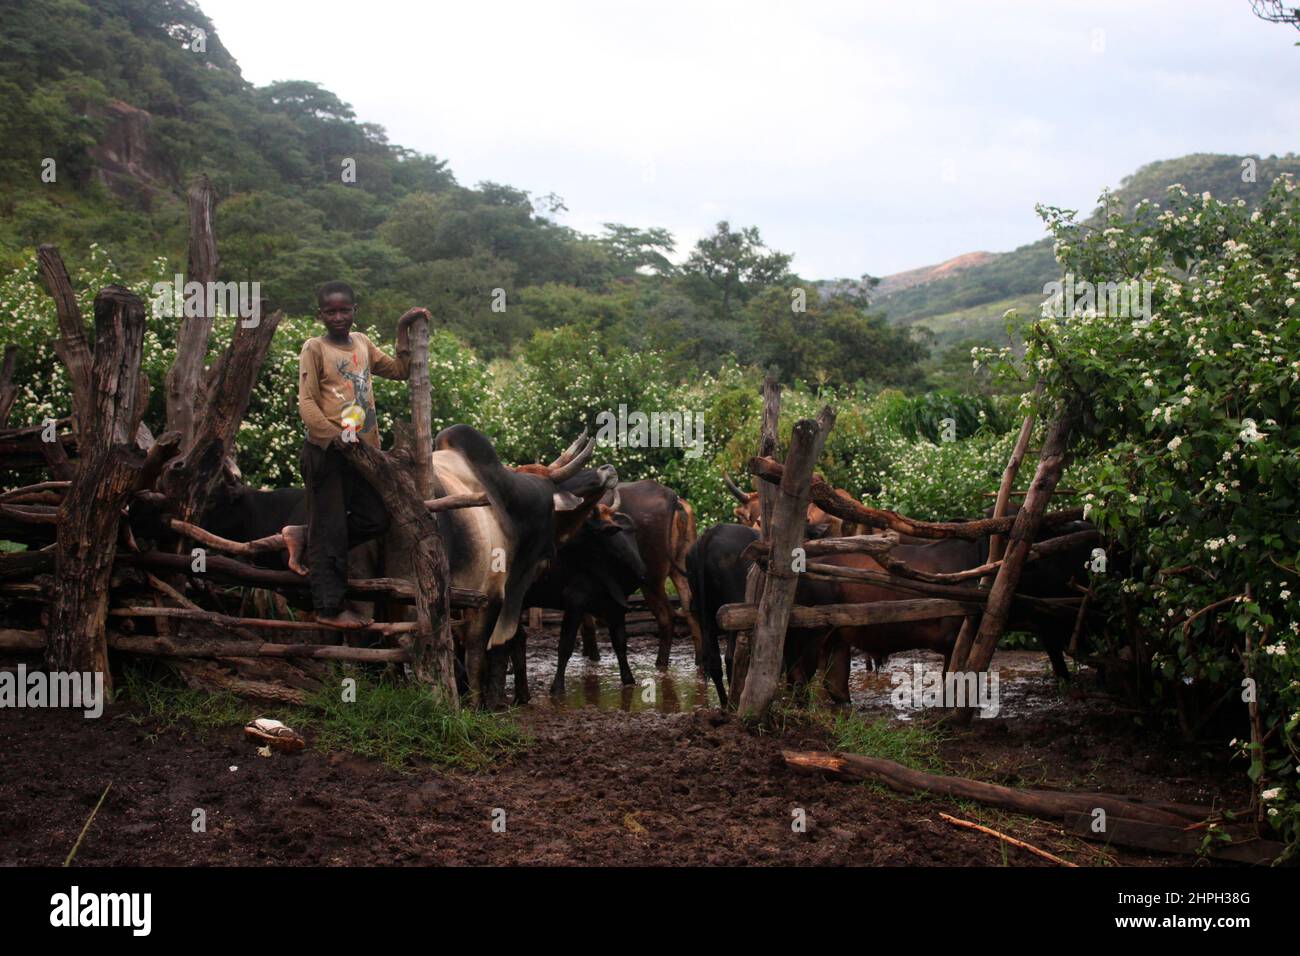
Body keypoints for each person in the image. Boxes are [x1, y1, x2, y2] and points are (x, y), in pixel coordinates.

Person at [285, 279, 429, 628]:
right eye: (330, 311)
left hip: (363, 454)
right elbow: (306, 401)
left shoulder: (362, 343)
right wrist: (333, 437)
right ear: (320, 314)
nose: (338, 316)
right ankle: (327, 609)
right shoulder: (314, 348)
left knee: (377, 518)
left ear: (354, 311)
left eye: (344, 310)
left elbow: (398, 371)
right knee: (330, 529)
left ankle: (305, 534)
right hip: (327, 452)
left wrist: (401, 330)